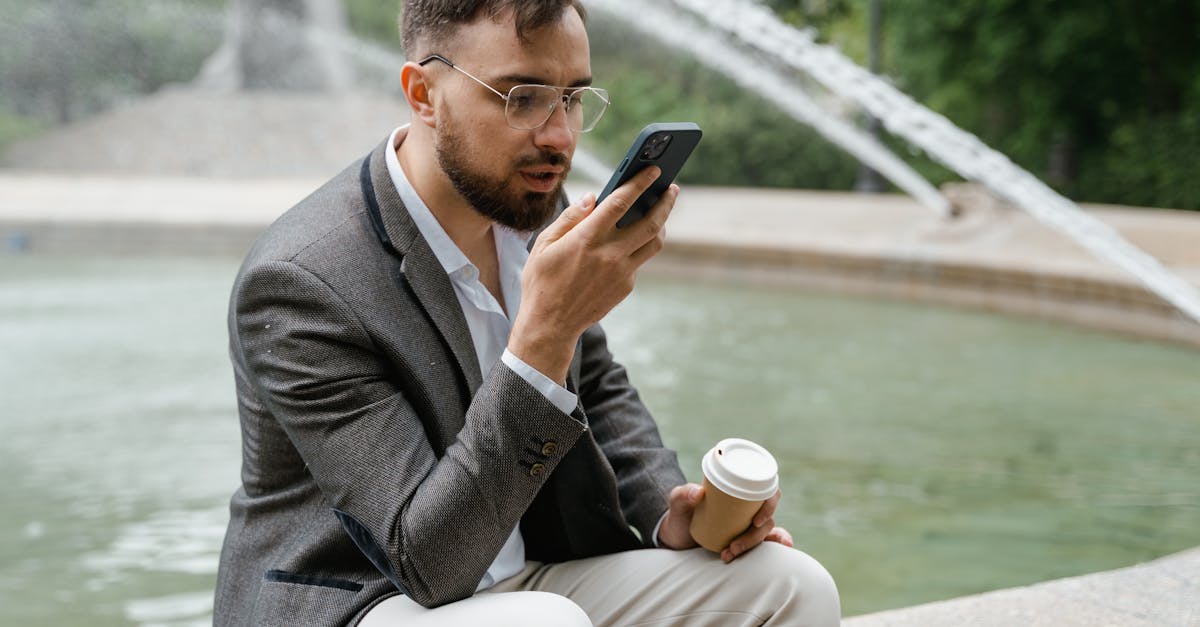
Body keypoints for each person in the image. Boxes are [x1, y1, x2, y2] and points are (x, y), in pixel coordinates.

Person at [213, 1, 840, 625]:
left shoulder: (528, 203)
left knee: (789, 584)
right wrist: (547, 332)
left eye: (572, 99)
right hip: (368, 598)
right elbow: (427, 561)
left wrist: (668, 511)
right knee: (544, 623)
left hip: (523, 576)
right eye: (522, 97)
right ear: (424, 93)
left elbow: (593, 385)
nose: (560, 137)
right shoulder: (302, 283)